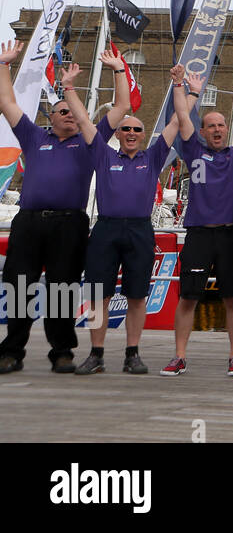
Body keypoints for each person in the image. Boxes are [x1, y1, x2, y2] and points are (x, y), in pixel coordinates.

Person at [0, 42, 125, 374]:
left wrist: (118, 70)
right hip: (29, 222)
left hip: (69, 224)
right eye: (62, 111)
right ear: (51, 118)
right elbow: (7, 102)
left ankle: (61, 352)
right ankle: (11, 351)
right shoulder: (33, 137)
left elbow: (122, 107)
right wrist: (4, 65)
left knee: (62, 288)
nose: (70, 114)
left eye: (73, 111)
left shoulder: (91, 141)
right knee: (19, 286)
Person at [161, 68, 233, 377]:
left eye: (221, 125)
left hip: (231, 235)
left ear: (227, 129)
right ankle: (179, 356)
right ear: (203, 130)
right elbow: (182, 116)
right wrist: (181, 86)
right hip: (199, 234)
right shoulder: (193, 149)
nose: (216, 129)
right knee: (188, 297)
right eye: (211, 125)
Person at [77, 53, 184, 375]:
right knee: (99, 295)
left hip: (139, 230)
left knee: (137, 296)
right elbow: (84, 122)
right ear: (118, 134)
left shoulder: (153, 158)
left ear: (143, 134)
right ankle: (96, 354)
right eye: (126, 129)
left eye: (138, 129)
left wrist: (182, 87)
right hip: (106, 229)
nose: (132, 132)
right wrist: (114, 72)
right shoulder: (103, 154)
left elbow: (177, 122)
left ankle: (132, 354)